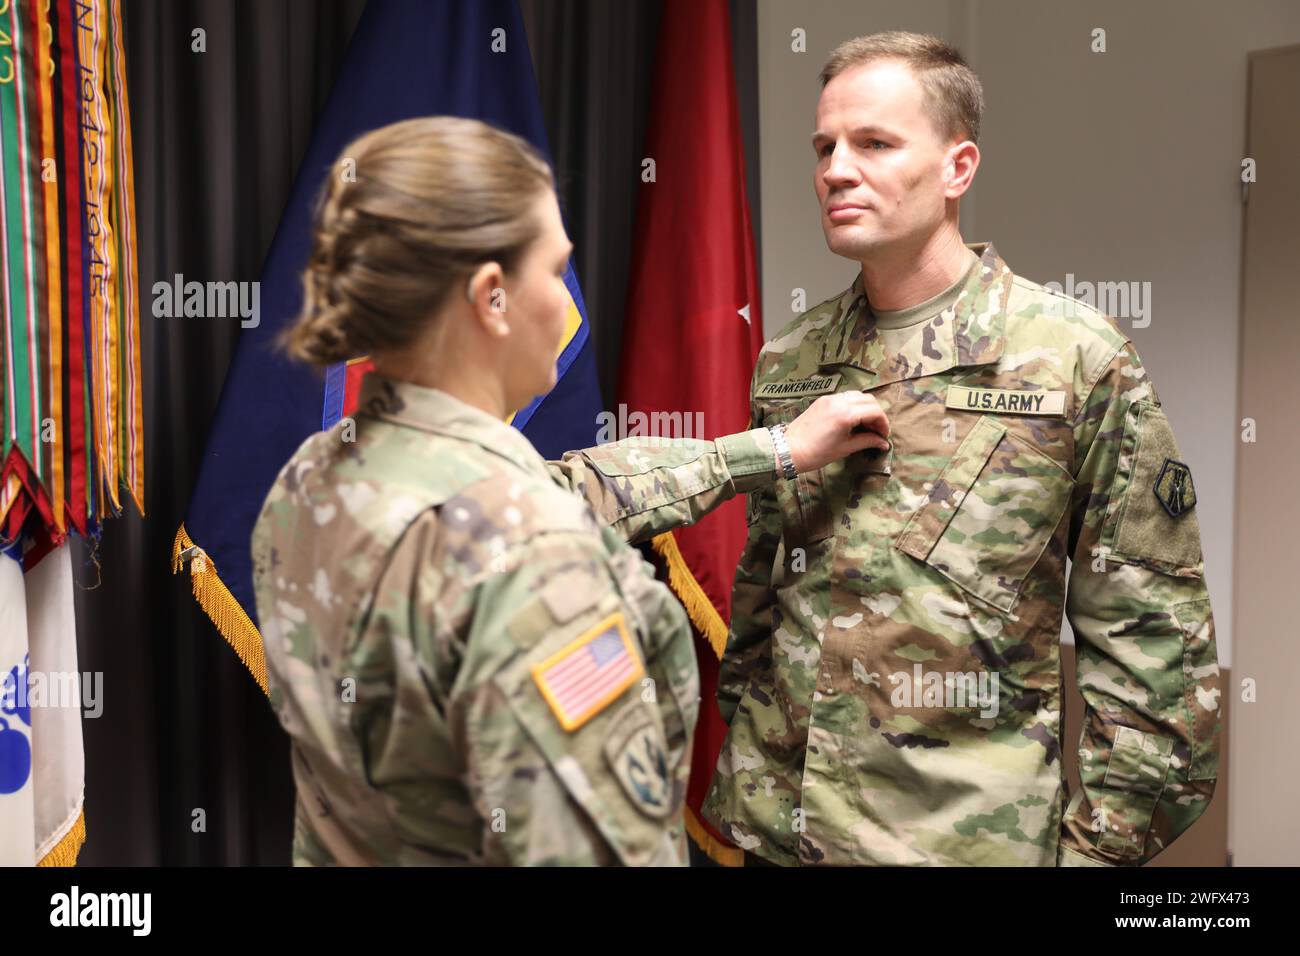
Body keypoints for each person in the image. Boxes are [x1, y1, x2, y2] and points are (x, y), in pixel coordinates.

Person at [249, 116, 889, 865]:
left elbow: (560, 488)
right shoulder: (535, 556)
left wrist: (774, 449)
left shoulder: (314, 479)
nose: (565, 304)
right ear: (491, 297)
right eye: (555, 271)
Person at [700, 31, 1222, 867]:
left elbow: (1156, 651)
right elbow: (763, 592)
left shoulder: (1073, 357)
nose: (835, 168)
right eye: (824, 145)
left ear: (957, 169)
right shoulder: (791, 359)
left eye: (873, 143)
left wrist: (1095, 855)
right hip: (777, 836)